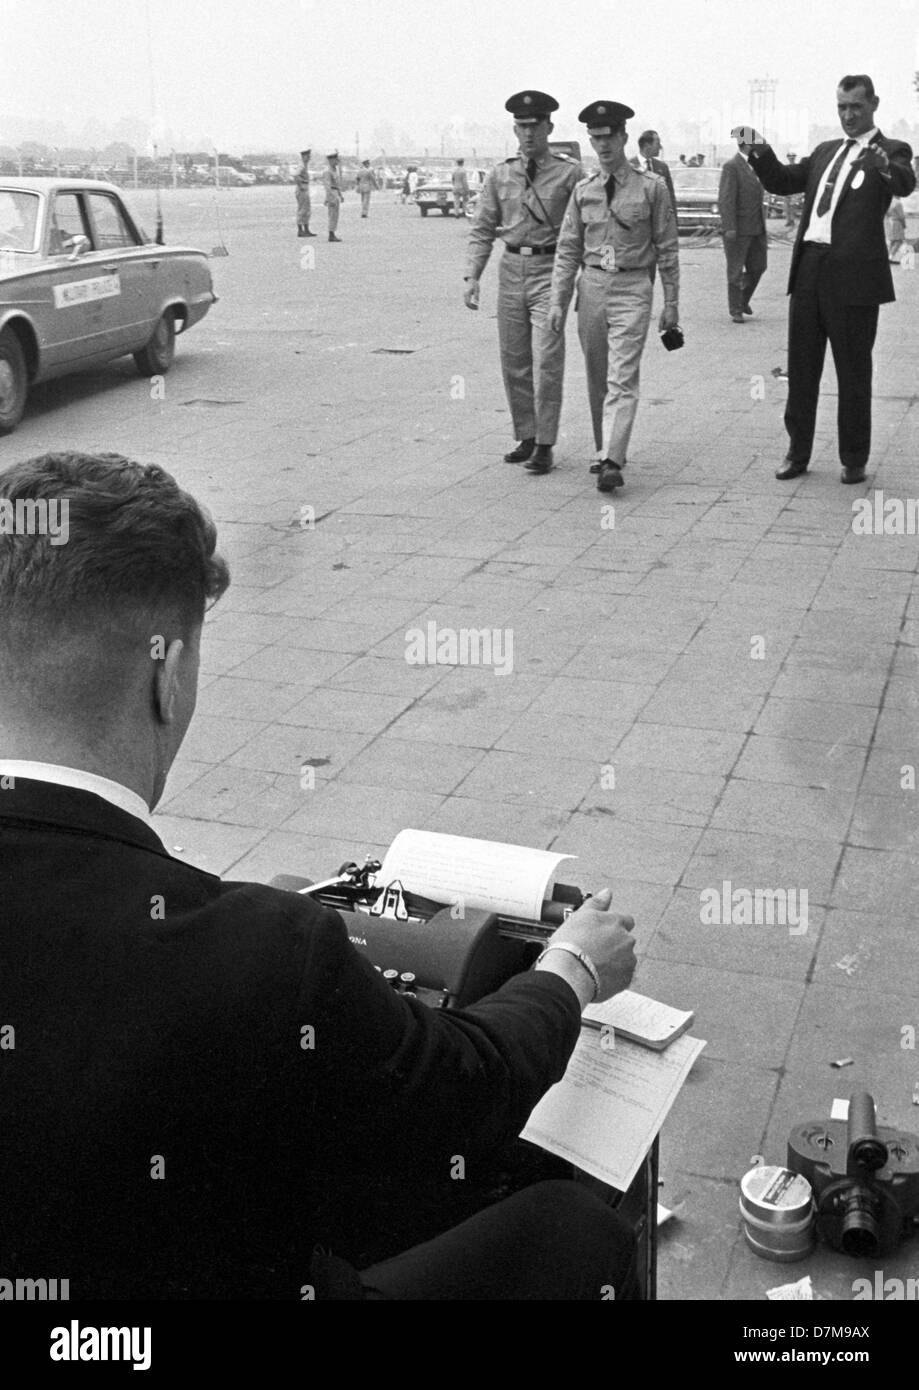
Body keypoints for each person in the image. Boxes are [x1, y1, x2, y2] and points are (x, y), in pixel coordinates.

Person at [0, 451, 640, 1301]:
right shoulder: (261, 950)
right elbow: (465, 1096)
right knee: (571, 1227)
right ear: (167, 675)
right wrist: (573, 966)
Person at [736, 73, 915, 484]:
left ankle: (853, 458)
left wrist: (883, 166)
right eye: (842, 107)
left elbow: (905, 182)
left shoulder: (892, 150)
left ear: (874, 105)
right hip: (809, 270)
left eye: (856, 107)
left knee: (853, 372)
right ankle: (797, 453)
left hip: (853, 278)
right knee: (802, 369)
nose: (848, 115)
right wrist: (758, 150)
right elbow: (783, 181)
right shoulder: (825, 151)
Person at [548, 100, 680, 493]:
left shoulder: (651, 188)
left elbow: (668, 248)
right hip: (591, 285)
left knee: (622, 374)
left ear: (623, 137)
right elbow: (568, 249)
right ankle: (602, 447)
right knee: (597, 374)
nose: (603, 145)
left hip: (632, 286)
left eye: (609, 137)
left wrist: (672, 303)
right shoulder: (583, 191)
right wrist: (557, 301)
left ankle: (612, 459)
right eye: (595, 138)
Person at [464, 90, 583, 475]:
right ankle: (527, 436)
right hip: (511, 268)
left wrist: (584, 279)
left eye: (535, 126)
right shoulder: (501, 174)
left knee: (547, 358)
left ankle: (545, 443)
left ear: (549, 127)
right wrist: (473, 275)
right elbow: (483, 228)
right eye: (521, 126)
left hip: (551, 270)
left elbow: (585, 227)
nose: (528, 133)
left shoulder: (570, 174)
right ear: (515, 130)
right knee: (514, 359)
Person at [718, 148, 768, 322]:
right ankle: (736, 309)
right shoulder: (732, 166)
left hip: (757, 227)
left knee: (759, 267)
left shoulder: (756, 165)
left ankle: (743, 299)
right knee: (735, 271)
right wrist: (729, 226)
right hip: (738, 229)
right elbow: (726, 198)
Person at [630, 130, 675, 208]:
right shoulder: (629, 167)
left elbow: (670, 197)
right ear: (647, 145)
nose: (660, 147)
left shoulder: (662, 167)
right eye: (657, 143)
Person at [322, 150, 344, 242]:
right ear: (331, 160)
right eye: (336, 159)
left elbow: (336, 184)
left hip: (335, 193)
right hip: (332, 194)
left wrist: (340, 195)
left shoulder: (334, 170)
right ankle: (331, 235)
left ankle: (333, 233)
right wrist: (330, 198)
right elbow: (328, 187)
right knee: (332, 215)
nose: (337, 161)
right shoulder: (327, 171)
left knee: (335, 215)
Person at [294, 149, 316, 237]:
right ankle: (300, 230)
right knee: (302, 210)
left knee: (307, 209)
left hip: (305, 187)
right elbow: (296, 175)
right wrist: (300, 185)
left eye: (309, 156)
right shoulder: (301, 165)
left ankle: (306, 229)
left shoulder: (304, 165)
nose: (309, 158)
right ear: (303, 156)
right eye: (307, 156)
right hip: (302, 189)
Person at [885, 196, 907, 262]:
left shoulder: (888, 202)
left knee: (892, 241)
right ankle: (890, 257)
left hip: (889, 222)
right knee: (899, 241)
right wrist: (904, 225)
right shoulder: (898, 203)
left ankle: (888, 257)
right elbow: (901, 216)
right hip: (897, 223)